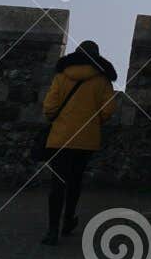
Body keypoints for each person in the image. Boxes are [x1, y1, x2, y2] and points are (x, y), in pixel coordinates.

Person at [39, 39, 117, 246]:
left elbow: (49, 107)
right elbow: (108, 110)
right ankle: (68, 221)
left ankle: (52, 230)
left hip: (60, 139)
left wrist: (59, 120)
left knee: (57, 184)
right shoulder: (102, 80)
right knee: (75, 182)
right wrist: (93, 122)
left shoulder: (62, 76)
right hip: (86, 140)